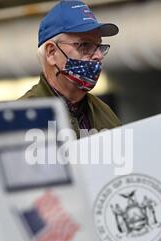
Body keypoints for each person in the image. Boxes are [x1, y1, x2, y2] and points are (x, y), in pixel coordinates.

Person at [19, 0, 122, 138]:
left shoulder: (106, 115)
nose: (98, 56)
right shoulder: (21, 118)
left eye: (99, 46)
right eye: (85, 45)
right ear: (51, 53)